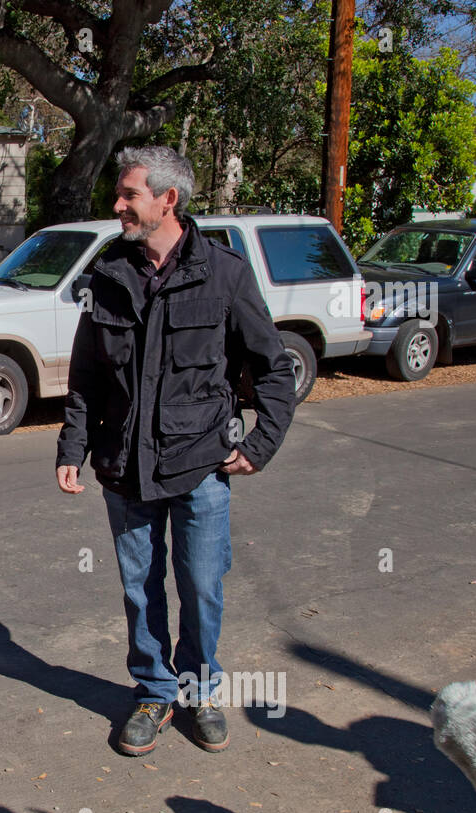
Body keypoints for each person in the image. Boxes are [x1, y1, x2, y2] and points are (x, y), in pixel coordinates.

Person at [55, 145, 295, 756]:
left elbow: (273, 369)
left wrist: (261, 444)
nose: (118, 205)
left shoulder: (225, 273)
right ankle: (154, 693)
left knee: (202, 585)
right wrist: (72, 447)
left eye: (129, 194)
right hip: (123, 467)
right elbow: (85, 374)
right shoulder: (109, 275)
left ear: (169, 199)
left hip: (200, 467)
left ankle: (200, 689)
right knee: (140, 589)